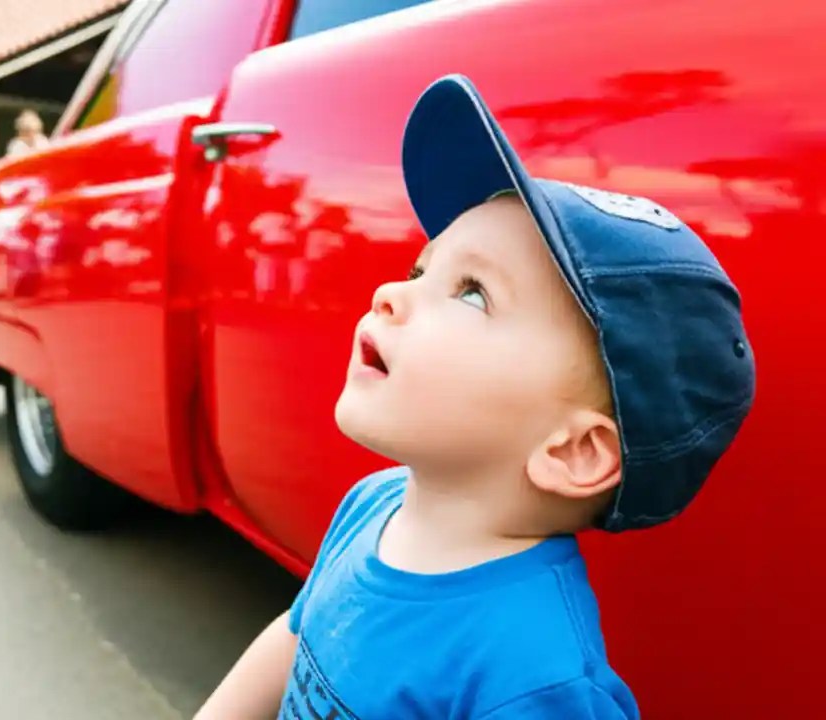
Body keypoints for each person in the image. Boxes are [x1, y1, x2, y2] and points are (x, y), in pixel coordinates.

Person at [196, 75, 755, 720]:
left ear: (573, 451)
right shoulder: (373, 503)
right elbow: (297, 638)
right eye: (421, 269)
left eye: (470, 292)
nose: (391, 292)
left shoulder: (534, 676)